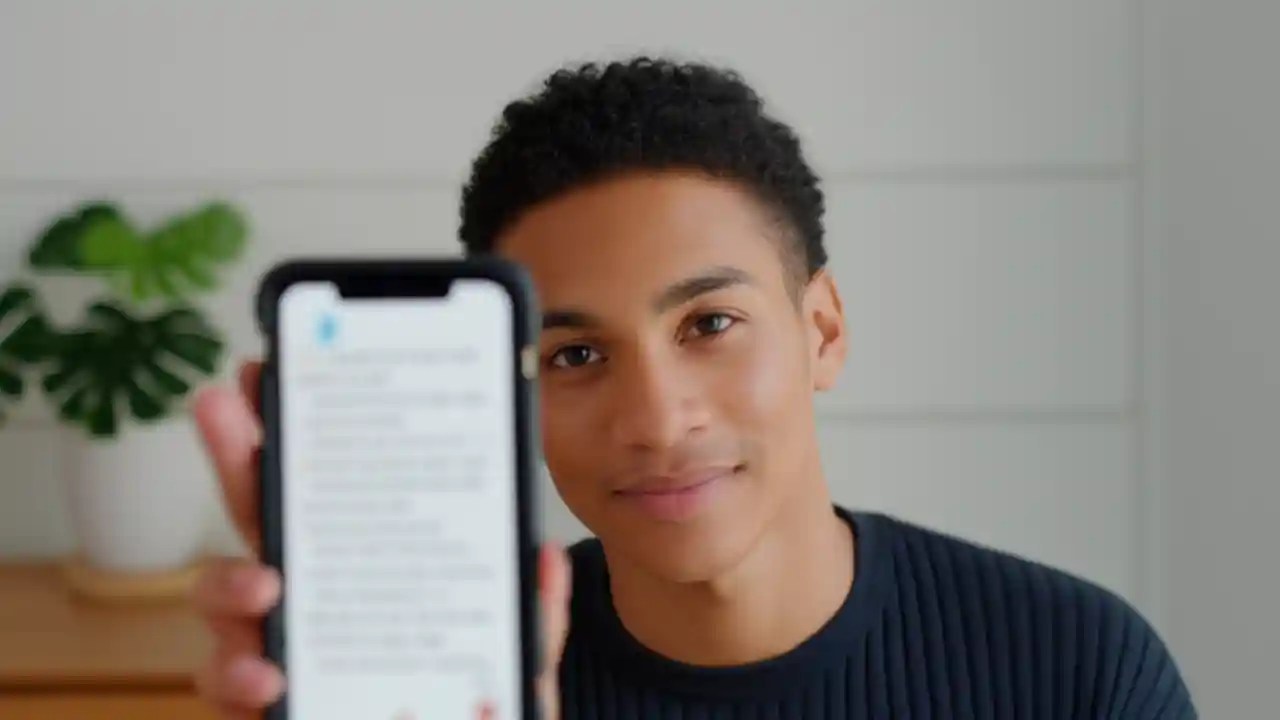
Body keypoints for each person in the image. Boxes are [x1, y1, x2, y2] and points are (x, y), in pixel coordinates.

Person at [191, 57, 1196, 719]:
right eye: (574, 356)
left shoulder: (1080, 669)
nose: (656, 419)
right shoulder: (471, 686)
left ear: (821, 331)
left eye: (707, 325)